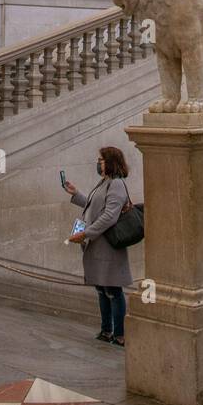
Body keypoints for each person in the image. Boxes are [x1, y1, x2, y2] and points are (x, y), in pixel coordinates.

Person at [64, 147, 133, 346]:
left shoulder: (117, 184)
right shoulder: (105, 182)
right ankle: (106, 329)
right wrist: (76, 194)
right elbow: (94, 206)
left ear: (110, 162)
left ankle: (119, 334)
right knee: (102, 290)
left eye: (100, 160)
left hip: (108, 246)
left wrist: (86, 233)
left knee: (113, 290)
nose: (98, 163)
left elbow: (110, 216)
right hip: (97, 245)